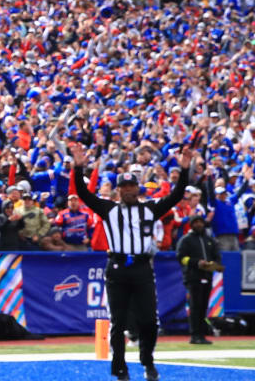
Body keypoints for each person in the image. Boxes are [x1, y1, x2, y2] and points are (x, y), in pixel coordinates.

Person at [71, 144, 193, 381]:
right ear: (118, 191)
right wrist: (78, 167)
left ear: (137, 188)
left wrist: (185, 170)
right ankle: (120, 369)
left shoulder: (149, 209)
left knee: (149, 320)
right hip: (116, 268)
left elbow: (176, 196)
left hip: (141, 267)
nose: (128, 190)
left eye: (131, 186)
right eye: (123, 187)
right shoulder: (109, 209)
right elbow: (84, 194)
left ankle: (147, 361)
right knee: (118, 322)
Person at [176, 214, 221, 345]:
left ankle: (201, 334)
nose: (199, 225)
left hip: (207, 276)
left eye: (201, 222)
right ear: (191, 225)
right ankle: (194, 334)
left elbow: (217, 256)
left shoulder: (209, 240)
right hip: (193, 277)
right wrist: (196, 263)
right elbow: (181, 257)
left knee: (203, 306)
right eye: (196, 222)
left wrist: (213, 265)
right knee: (195, 306)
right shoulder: (186, 240)